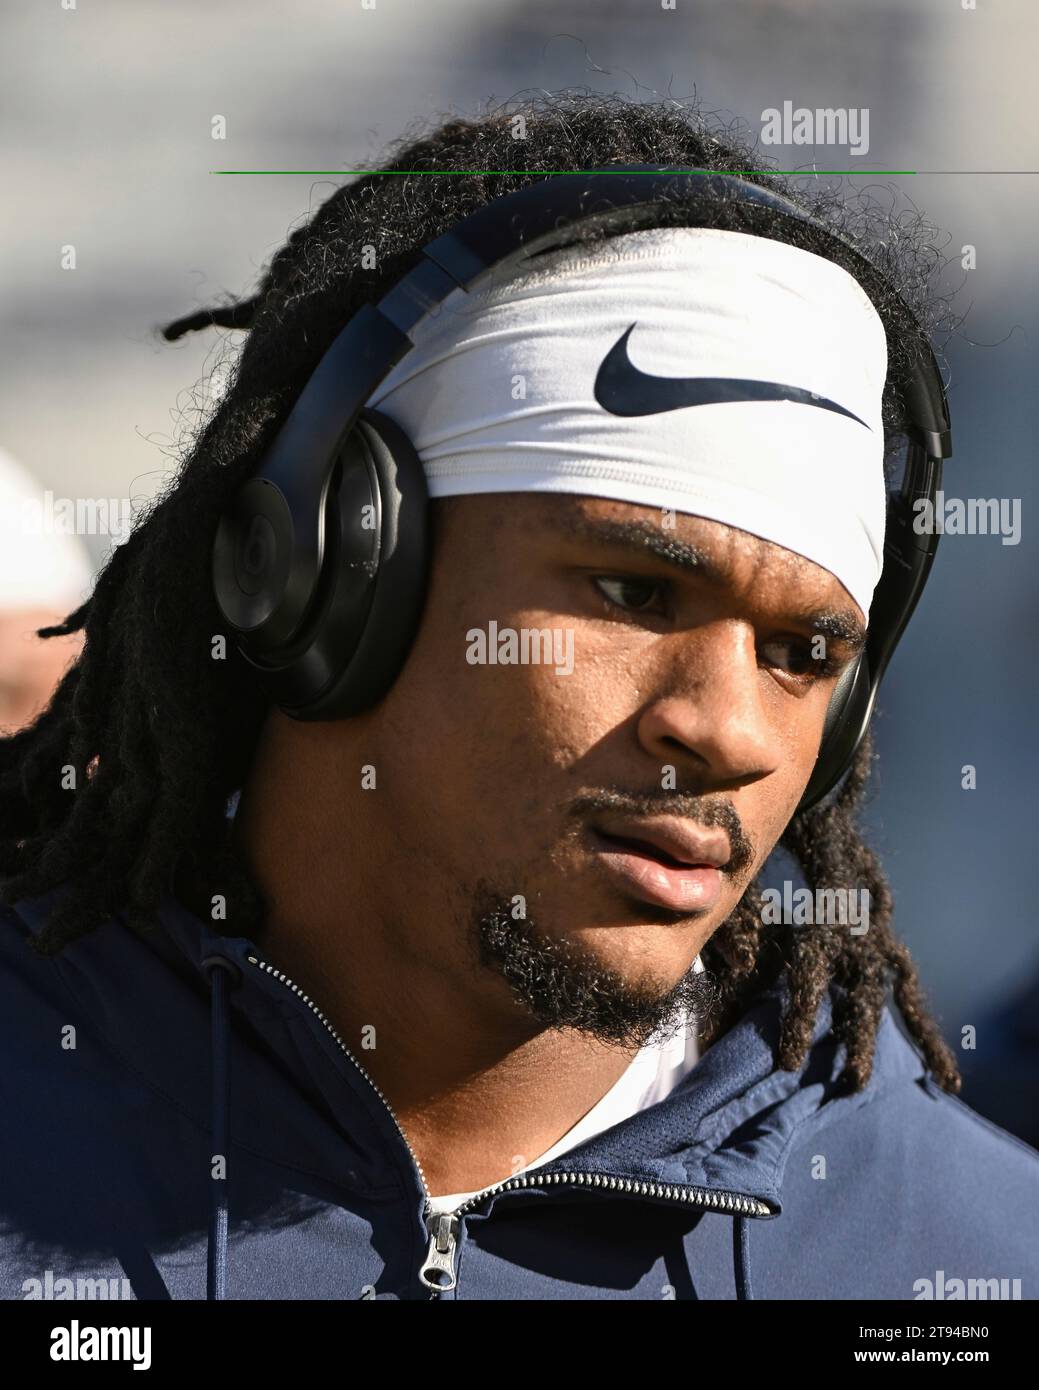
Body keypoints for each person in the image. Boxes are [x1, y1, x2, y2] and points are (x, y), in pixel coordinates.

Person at [2, 94, 1036, 1302]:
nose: (727, 731)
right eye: (632, 589)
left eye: (803, 655)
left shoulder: (967, 1266)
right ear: (328, 572)